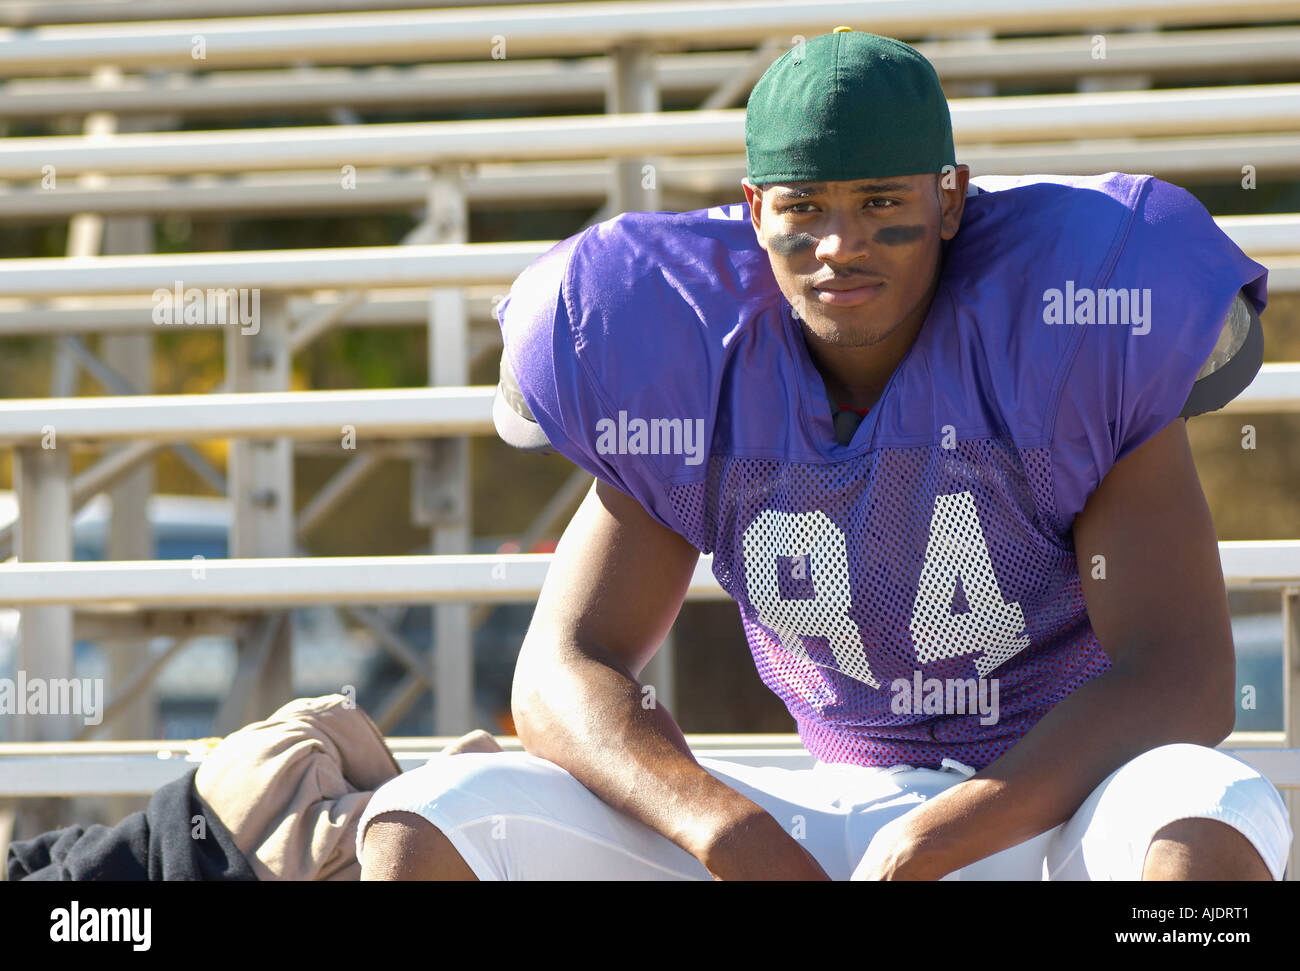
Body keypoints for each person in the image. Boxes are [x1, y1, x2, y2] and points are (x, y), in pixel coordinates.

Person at [357, 28, 1291, 880]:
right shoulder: (688, 356)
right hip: (819, 811)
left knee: (1205, 819)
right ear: (756, 209)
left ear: (952, 198)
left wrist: (950, 832)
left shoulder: (1069, 330)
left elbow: (1184, 673)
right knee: (423, 821)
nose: (841, 245)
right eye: (805, 207)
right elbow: (560, 671)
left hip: (1049, 816)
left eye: (883, 202)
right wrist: (725, 830)